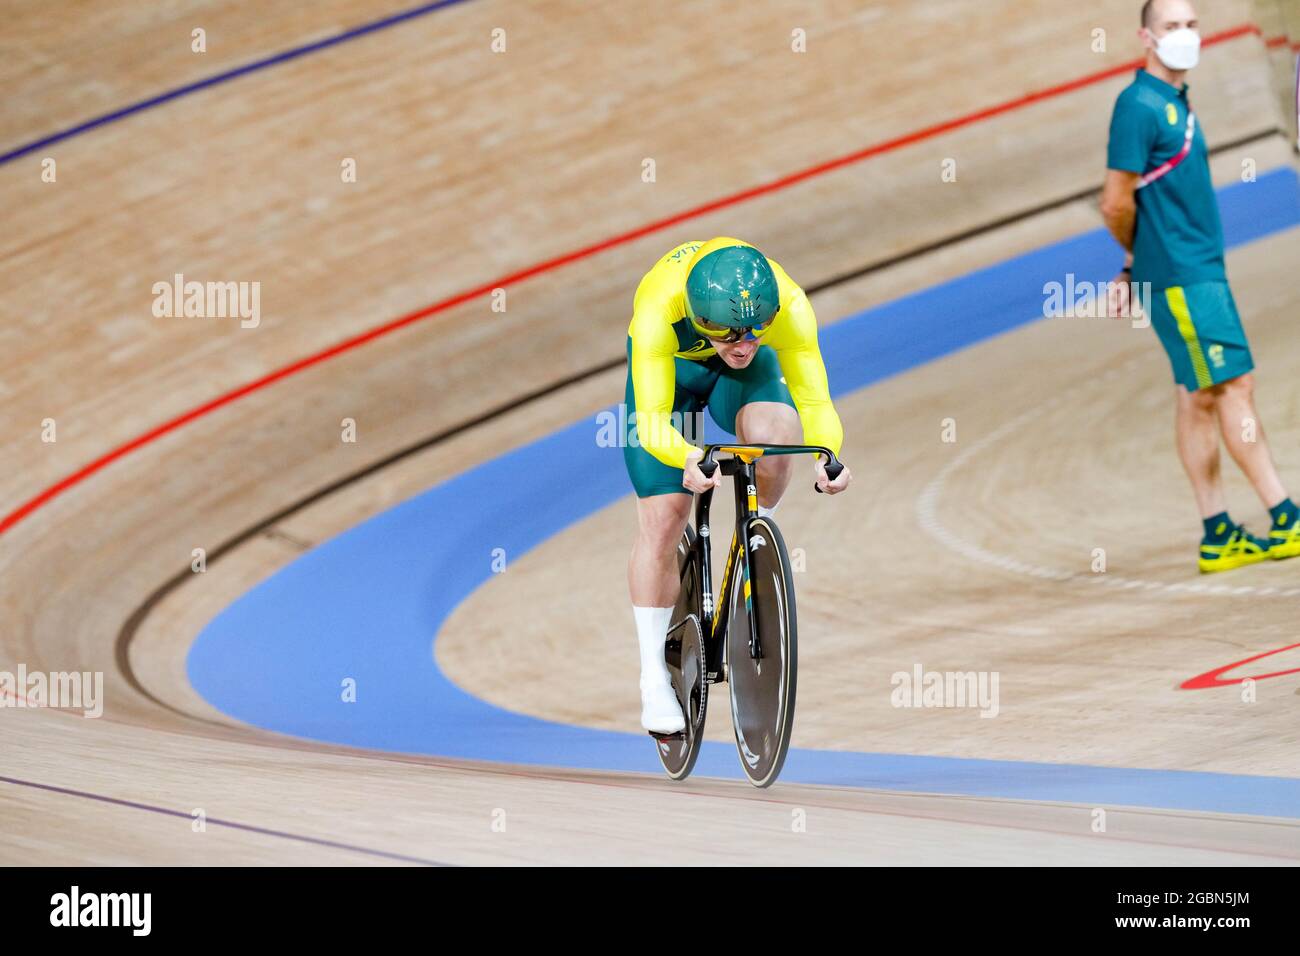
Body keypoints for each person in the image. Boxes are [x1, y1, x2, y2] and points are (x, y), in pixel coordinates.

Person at [1101, 0, 1300, 572]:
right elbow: (1115, 200)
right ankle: (1284, 515)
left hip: (1193, 271)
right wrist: (1138, 258)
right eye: (1171, 27)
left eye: (1191, 25)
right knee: (1235, 385)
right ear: (1146, 36)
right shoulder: (1138, 106)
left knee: (1197, 396)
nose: (1184, 36)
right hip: (1185, 277)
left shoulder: (1172, 100)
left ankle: (1218, 532)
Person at [623, 237, 850, 732]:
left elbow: (815, 403)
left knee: (777, 435)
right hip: (673, 380)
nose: (745, 345)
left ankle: (757, 529)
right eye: (730, 335)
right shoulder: (658, 312)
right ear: (702, 321)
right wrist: (687, 456)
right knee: (663, 521)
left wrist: (829, 455)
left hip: (735, 384)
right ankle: (651, 679)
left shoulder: (788, 304)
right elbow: (651, 421)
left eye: (756, 332)